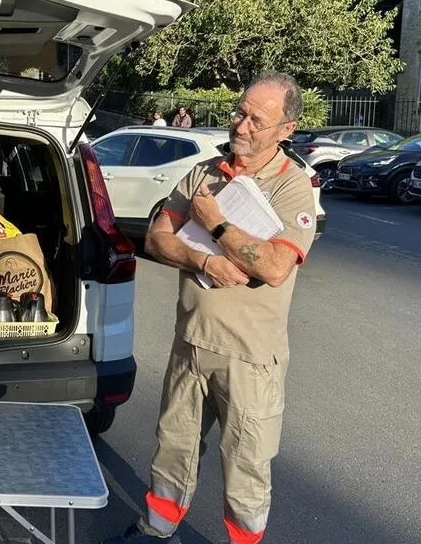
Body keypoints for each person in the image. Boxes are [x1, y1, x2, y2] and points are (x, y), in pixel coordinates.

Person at [105, 73, 317, 544]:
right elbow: (158, 237)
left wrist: (216, 225)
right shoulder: (204, 173)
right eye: (240, 112)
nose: (241, 126)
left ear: (286, 129)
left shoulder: (293, 187)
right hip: (192, 344)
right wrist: (203, 259)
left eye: (256, 120)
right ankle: (156, 527)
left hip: (249, 356)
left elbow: (277, 266)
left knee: (246, 464)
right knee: (173, 447)